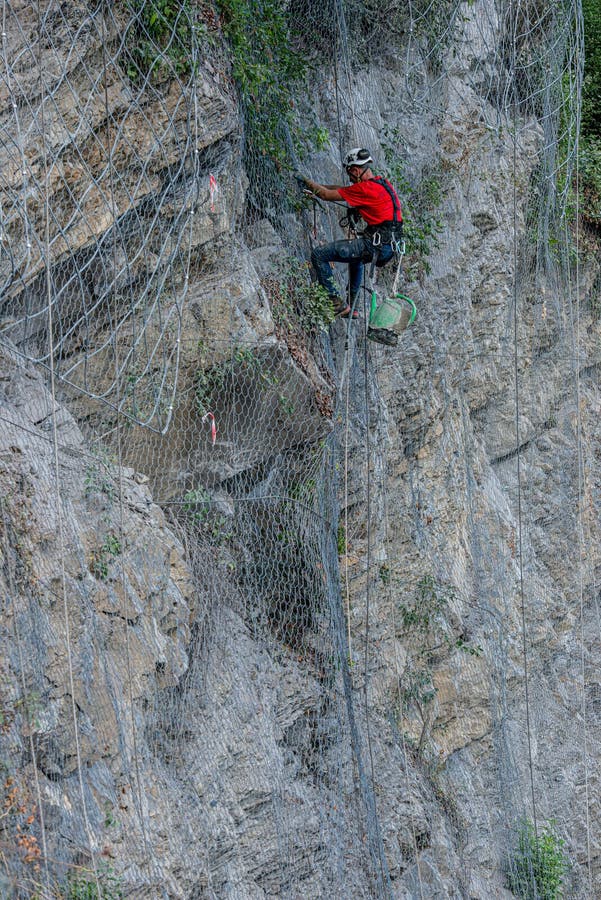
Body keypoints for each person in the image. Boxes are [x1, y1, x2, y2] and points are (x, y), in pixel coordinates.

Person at [300, 148, 403, 318]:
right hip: (388, 247)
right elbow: (339, 190)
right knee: (356, 260)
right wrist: (314, 187)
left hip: (374, 245)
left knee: (319, 255)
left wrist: (306, 181)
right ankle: (352, 306)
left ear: (355, 171)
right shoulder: (383, 184)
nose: (349, 178)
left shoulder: (364, 189)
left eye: (349, 173)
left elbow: (326, 195)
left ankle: (335, 303)